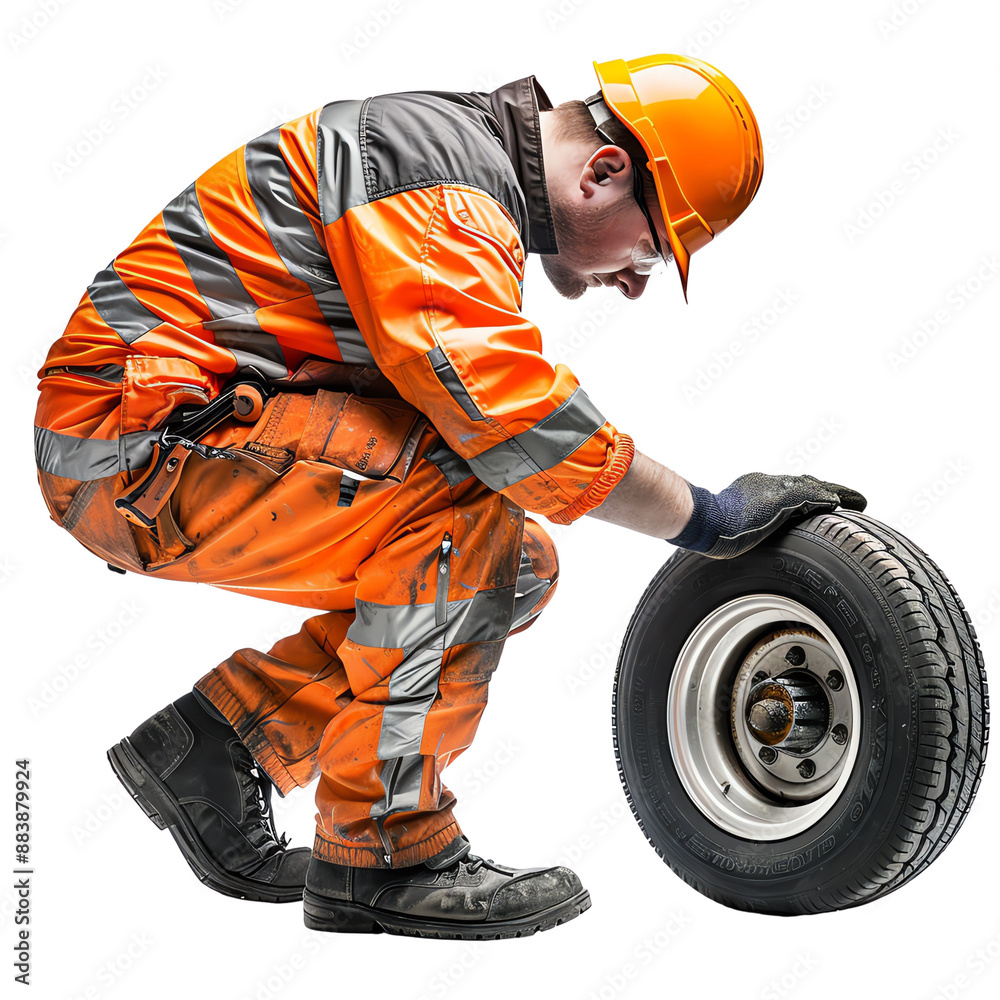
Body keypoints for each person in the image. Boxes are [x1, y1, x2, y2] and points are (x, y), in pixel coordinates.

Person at [32, 54, 865, 940]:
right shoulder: (440, 178)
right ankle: (385, 850)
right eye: (652, 250)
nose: (631, 280)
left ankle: (224, 740)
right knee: (457, 508)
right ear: (604, 172)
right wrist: (709, 517)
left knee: (512, 566)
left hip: (179, 432)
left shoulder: (452, 166)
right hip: (135, 442)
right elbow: (510, 423)